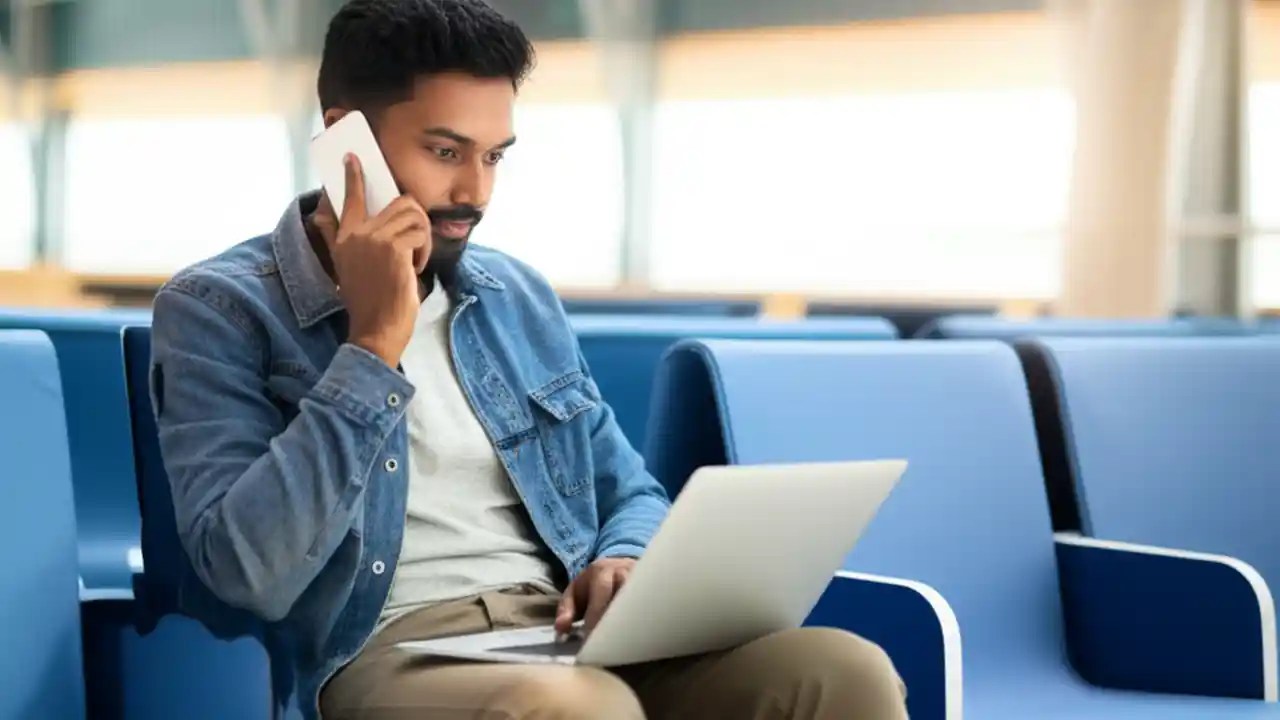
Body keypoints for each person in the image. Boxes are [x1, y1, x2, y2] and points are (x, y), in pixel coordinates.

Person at [149, 0, 908, 718]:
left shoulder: (516, 296)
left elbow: (629, 491)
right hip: (384, 649)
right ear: (346, 140)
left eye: (494, 157)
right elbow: (246, 573)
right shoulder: (218, 308)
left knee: (842, 670)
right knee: (580, 708)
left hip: (558, 630)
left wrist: (627, 558)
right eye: (445, 152)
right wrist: (372, 345)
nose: (474, 192)